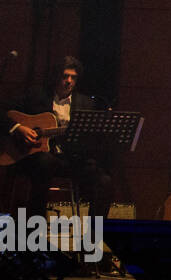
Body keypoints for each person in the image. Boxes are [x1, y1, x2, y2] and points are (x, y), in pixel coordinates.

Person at [4, 56, 114, 219]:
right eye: (65, 76)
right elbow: (3, 112)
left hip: (70, 159)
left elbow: (89, 140)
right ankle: (35, 230)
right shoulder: (37, 95)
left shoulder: (86, 104)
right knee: (44, 162)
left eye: (73, 77)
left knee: (105, 181)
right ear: (56, 76)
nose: (69, 81)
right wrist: (19, 128)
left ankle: (93, 237)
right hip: (35, 158)